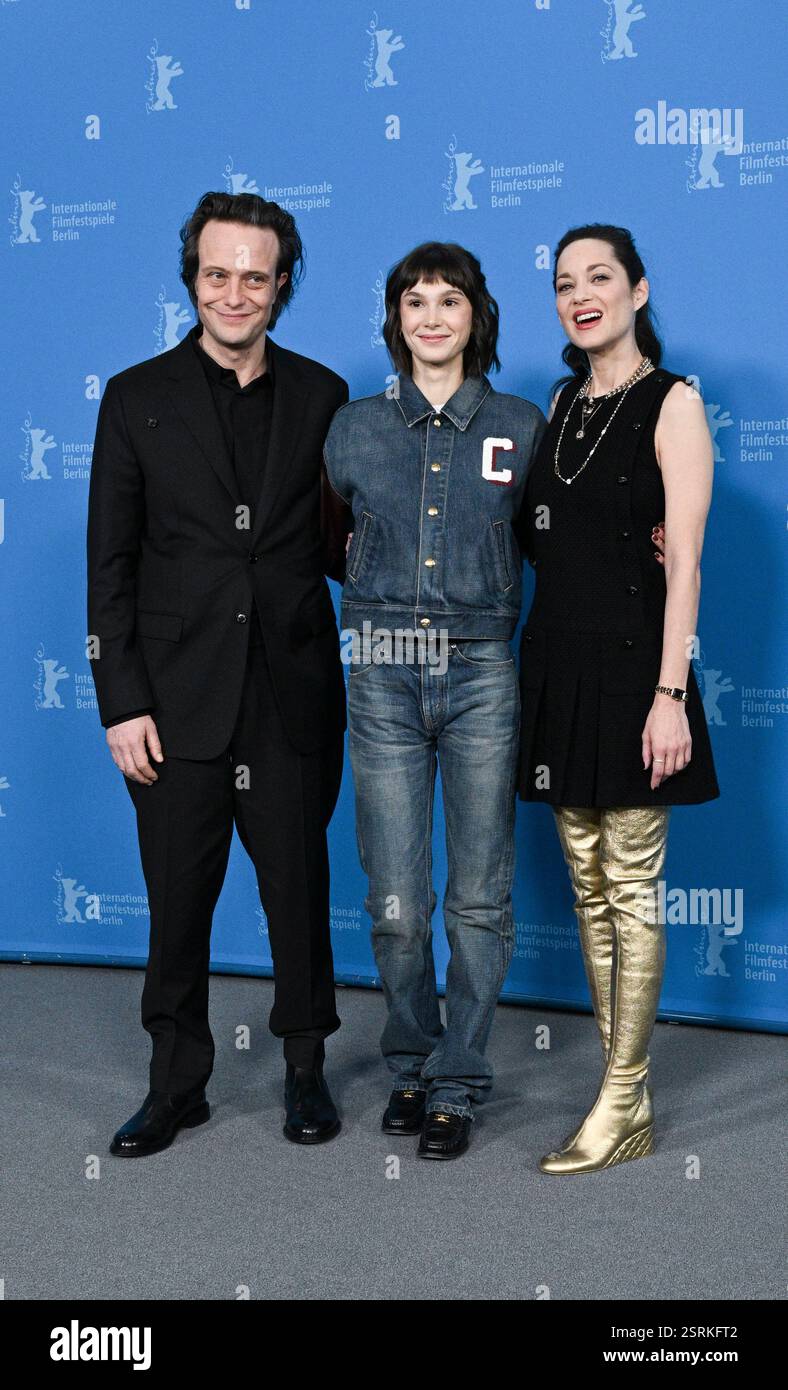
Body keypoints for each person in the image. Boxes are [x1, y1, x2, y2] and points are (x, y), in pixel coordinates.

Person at [87, 192, 352, 1155]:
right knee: (178, 900)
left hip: (292, 694)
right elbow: (108, 567)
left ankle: (305, 1073)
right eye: (216, 273)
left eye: (255, 275)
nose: (234, 292)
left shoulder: (326, 398)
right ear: (191, 277)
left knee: (299, 892)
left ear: (283, 285)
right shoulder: (134, 397)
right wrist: (122, 702)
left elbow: (351, 543)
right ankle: (175, 1086)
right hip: (173, 700)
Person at [323, 242, 546, 1159]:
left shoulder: (522, 424)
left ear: (475, 316)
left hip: (483, 670)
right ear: (395, 318)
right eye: (414, 300)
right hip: (379, 666)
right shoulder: (350, 427)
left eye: (449, 299)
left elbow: (557, 546)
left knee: (480, 897)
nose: (431, 315)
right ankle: (411, 1060)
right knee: (396, 899)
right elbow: (324, 541)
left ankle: (459, 1080)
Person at [515, 223, 719, 1175]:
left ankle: (623, 1100)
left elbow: (684, 567)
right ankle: (614, 1085)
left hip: (641, 673)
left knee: (631, 888)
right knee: (589, 884)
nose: (581, 293)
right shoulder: (561, 402)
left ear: (640, 290)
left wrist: (670, 693)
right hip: (557, 667)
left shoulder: (673, 404)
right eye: (565, 282)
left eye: (601, 277)